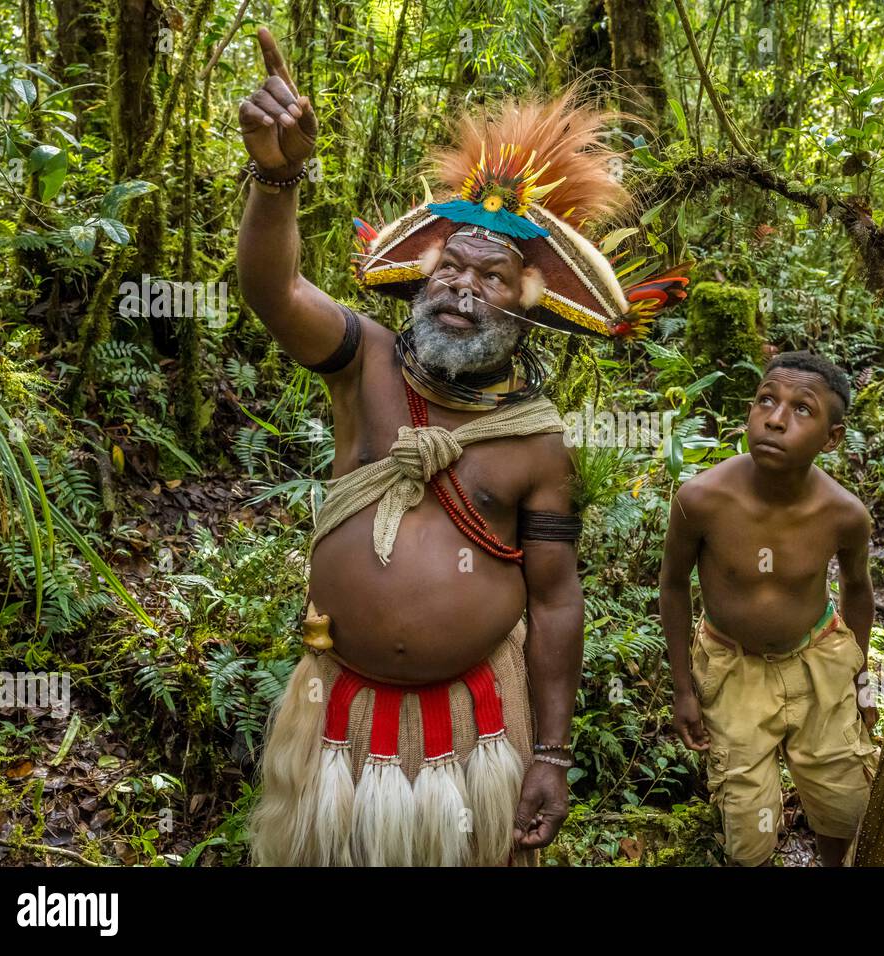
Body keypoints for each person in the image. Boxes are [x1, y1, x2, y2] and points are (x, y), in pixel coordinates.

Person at [236, 27, 686, 866]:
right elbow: (273, 290)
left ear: (529, 306)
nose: (461, 284)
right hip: (339, 718)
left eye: (491, 276)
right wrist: (276, 176)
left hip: (477, 726)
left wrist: (550, 755)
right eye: (451, 266)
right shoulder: (363, 360)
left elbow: (554, 602)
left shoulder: (538, 447)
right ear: (421, 277)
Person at [659, 350, 879, 866]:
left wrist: (859, 673)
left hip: (818, 661)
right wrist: (683, 688)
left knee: (842, 798)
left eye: (802, 409)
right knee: (745, 820)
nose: (775, 419)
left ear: (833, 438)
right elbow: (671, 586)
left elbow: (858, 590)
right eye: (766, 400)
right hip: (732, 668)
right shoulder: (701, 499)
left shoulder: (844, 514)